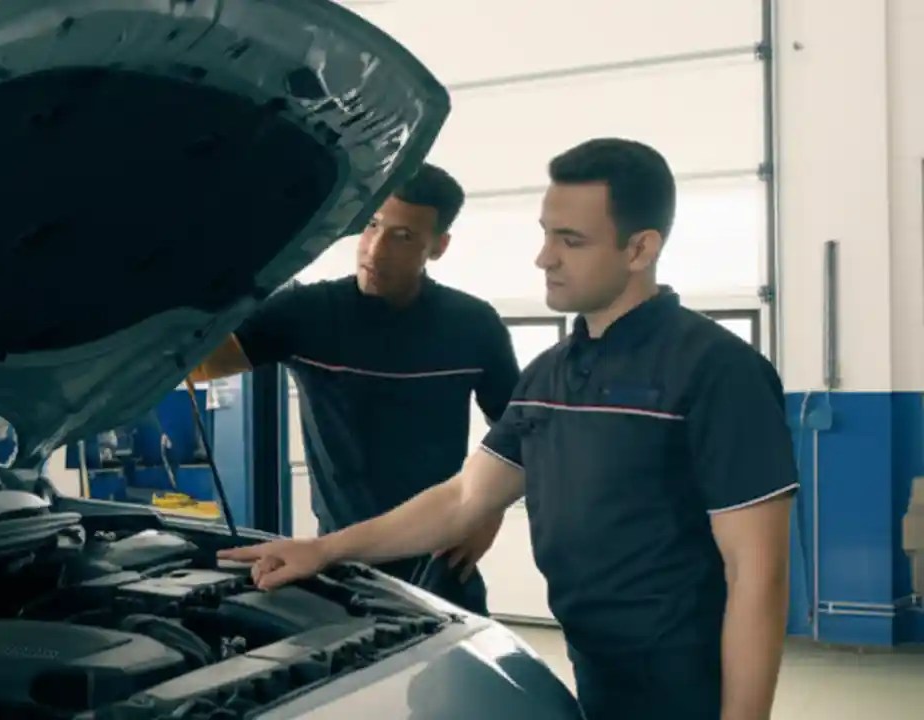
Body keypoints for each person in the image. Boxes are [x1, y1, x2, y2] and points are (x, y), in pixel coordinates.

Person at [219, 138, 797, 720]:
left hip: (688, 681)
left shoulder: (717, 370)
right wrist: (323, 548)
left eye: (571, 241)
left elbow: (758, 574)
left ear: (640, 248)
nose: (545, 258)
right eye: (546, 234)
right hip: (595, 665)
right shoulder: (551, 374)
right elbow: (466, 497)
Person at [190, 163, 521, 615]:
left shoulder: (473, 325)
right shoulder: (306, 313)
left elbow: (520, 433)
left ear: (438, 247)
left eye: (403, 236)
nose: (375, 249)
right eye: (371, 225)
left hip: (441, 561)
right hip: (338, 557)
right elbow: (195, 366)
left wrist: (487, 512)